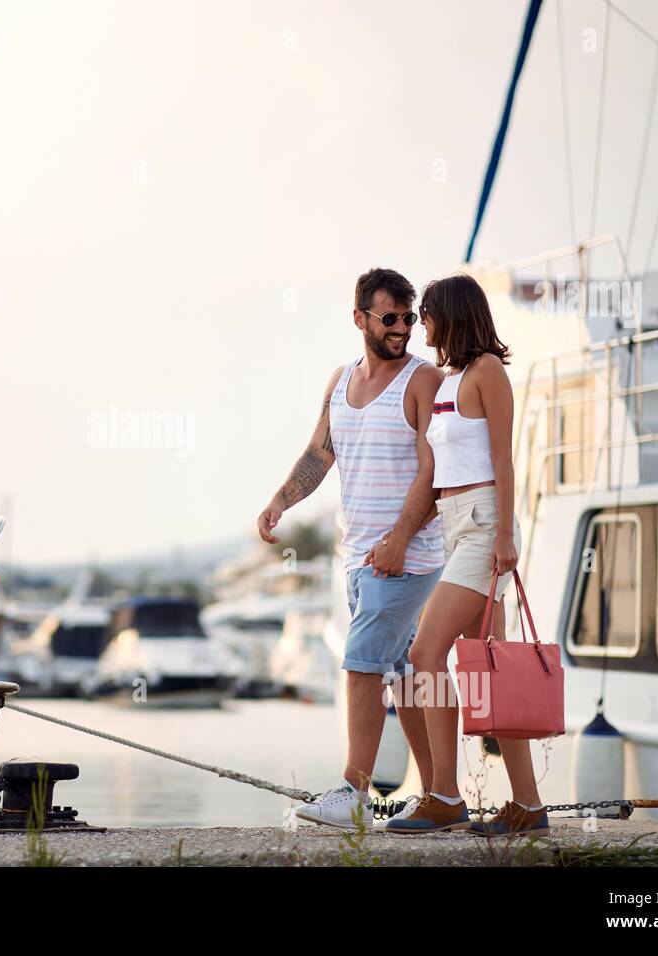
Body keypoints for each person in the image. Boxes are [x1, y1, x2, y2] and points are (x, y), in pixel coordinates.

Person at [257, 267, 444, 830]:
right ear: (359, 317)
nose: (401, 328)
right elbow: (320, 453)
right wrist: (280, 501)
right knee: (407, 677)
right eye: (389, 317)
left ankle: (353, 791)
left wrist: (401, 539)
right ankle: (439, 795)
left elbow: (436, 472)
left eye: (408, 318)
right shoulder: (340, 381)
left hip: (407, 558)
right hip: (359, 557)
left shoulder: (422, 381)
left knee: (362, 666)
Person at [385, 273, 547, 836]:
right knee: (492, 669)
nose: (420, 324)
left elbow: (503, 461)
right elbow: (443, 475)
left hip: (485, 527)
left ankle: (445, 795)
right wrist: (404, 534)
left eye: (426, 314)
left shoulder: (487, 372)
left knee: (426, 655)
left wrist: (504, 535)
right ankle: (528, 806)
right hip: (457, 523)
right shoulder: (449, 378)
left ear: (452, 313)